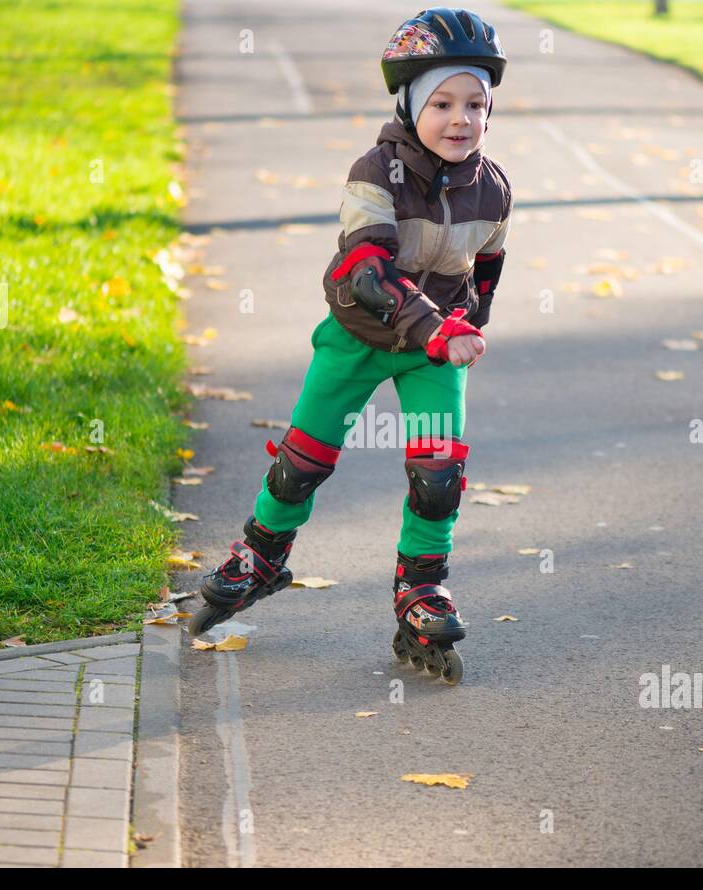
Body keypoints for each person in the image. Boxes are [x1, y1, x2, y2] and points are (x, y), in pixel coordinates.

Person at [188, 8, 512, 684]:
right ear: (410, 104)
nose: (461, 119)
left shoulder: (494, 186)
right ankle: (262, 555)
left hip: (433, 349)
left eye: (476, 104)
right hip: (360, 334)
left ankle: (421, 587)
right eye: (443, 103)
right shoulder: (377, 172)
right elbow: (363, 269)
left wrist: (471, 318)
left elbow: (486, 262)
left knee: (438, 472)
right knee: (301, 462)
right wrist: (437, 325)